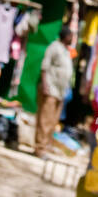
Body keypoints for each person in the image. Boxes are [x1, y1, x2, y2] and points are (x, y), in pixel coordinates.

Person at [34, 27, 73, 158]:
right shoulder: (54, 47)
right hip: (51, 89)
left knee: (53, 121)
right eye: (71, 36)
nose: (72, 38)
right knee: (44, 120)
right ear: (65, 36)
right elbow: (45, 67)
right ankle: (40, 147)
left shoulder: (66, 51)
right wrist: (45, 85)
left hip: (60, 92)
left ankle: (47, 146)